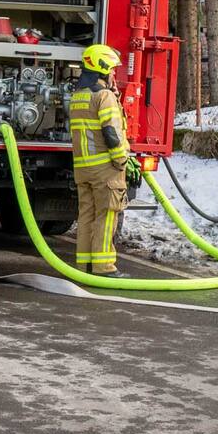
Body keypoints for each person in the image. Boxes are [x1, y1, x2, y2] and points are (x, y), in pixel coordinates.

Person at [69, 43, 130, 276]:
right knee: (106, 216)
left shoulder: (79, 96)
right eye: (112, 69)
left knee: (86, 216)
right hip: (105, 168)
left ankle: (84, 266)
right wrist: (121, 161)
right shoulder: (103, 96)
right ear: (103, 68)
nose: (114, 73)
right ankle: (104, 267)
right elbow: (111, 133)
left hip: (83, 168)